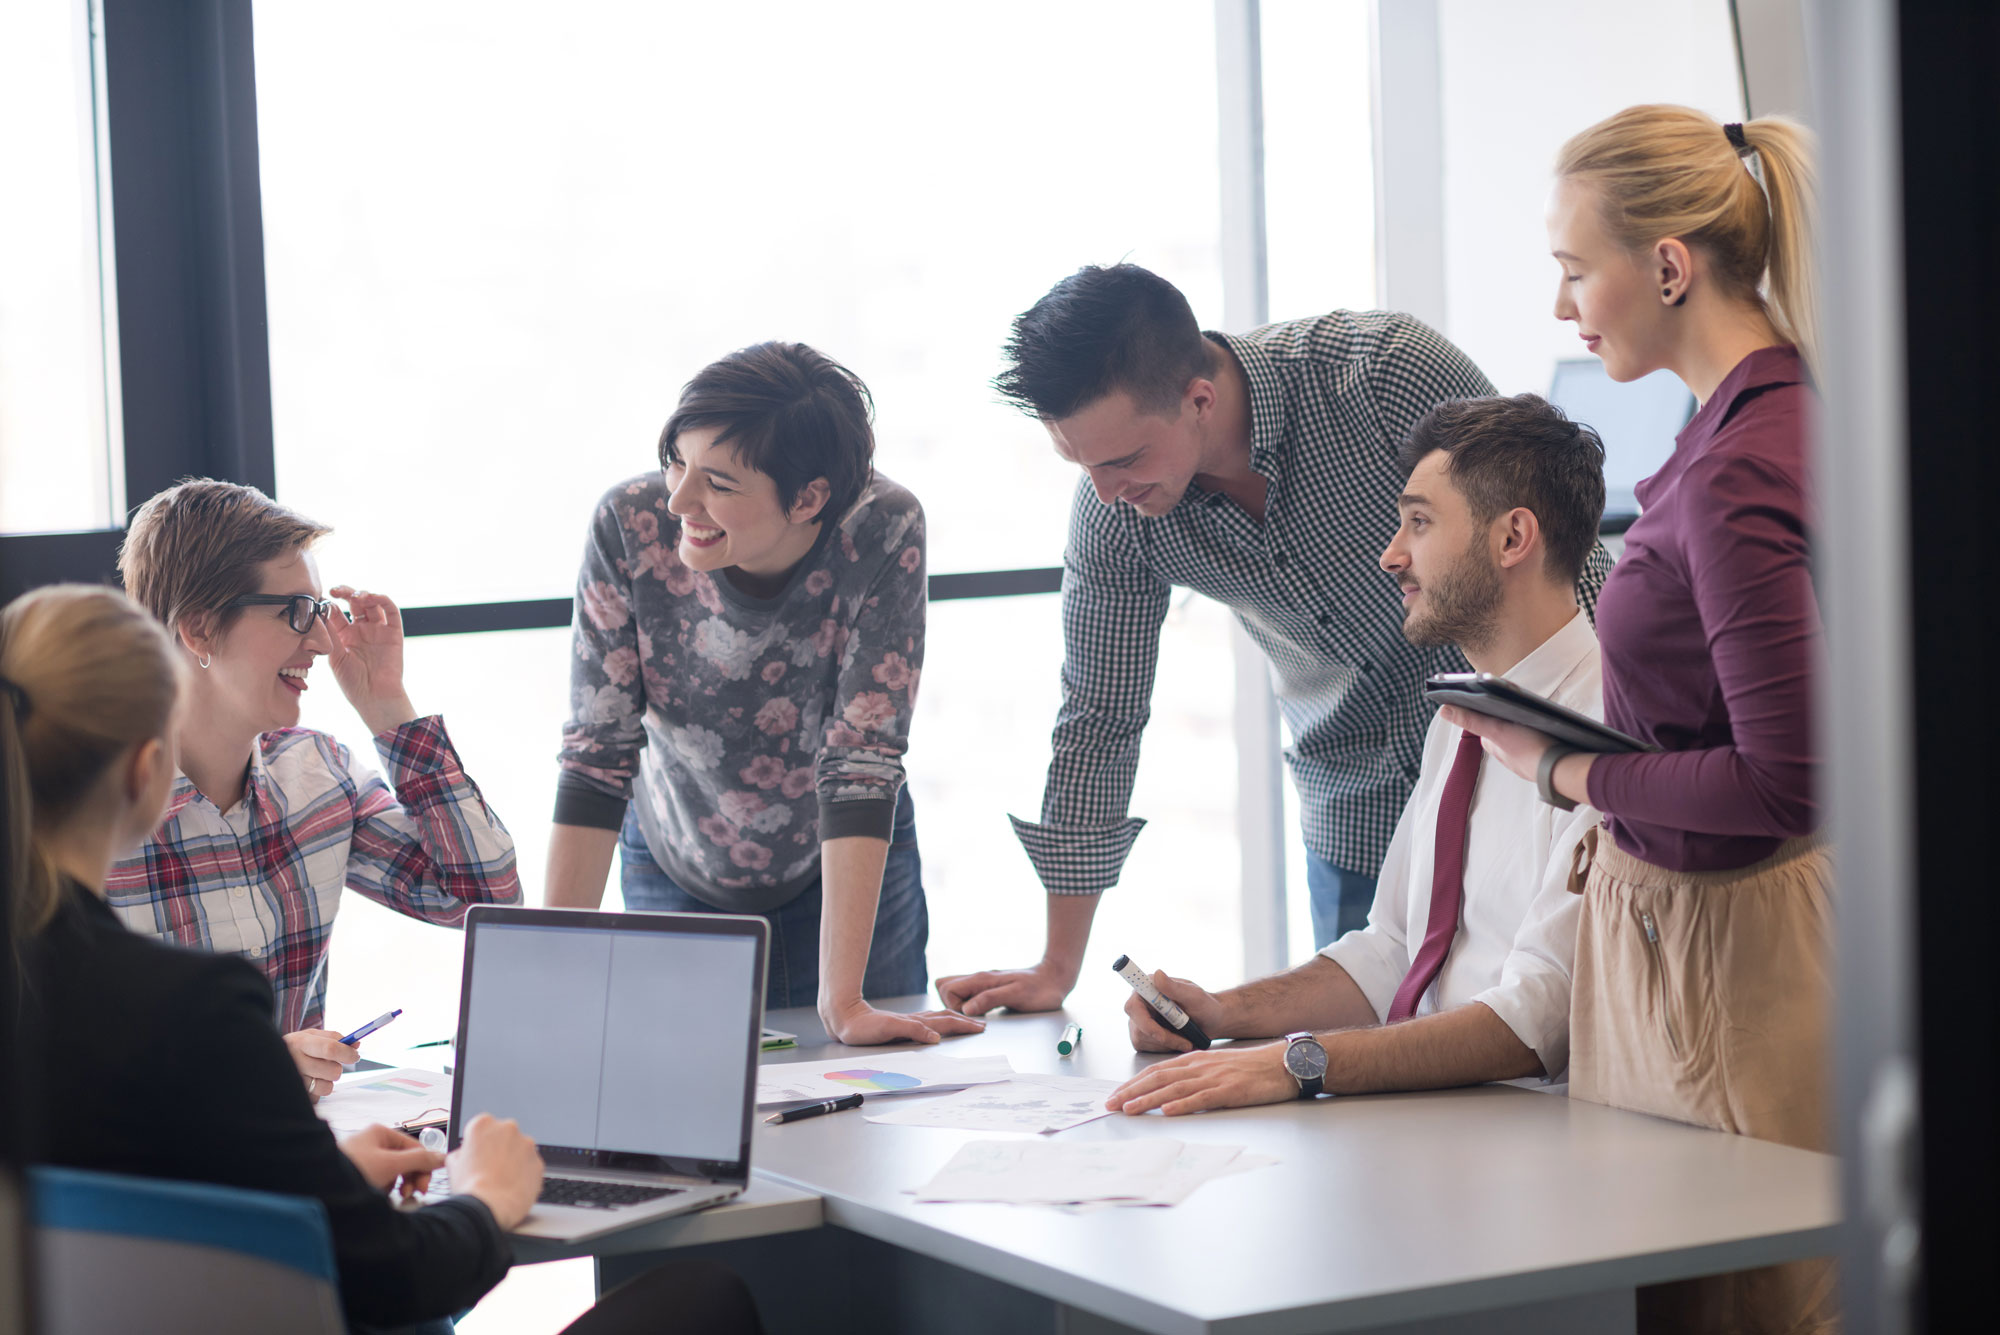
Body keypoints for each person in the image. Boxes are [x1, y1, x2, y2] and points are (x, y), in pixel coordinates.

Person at [2, 585, 763, 1334]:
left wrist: (322, 1180)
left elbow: (154, 1190)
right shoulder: (194, 1007)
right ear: (144, 769)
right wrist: (488, 1197)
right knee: (704, 1297)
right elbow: (397, 1278)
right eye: (294, 610)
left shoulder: (63, 988)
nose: (322, 636)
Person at [938, 264, 1613, 1018]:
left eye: (1123, 460)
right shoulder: (1116, 511)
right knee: (1384, 1070)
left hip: (1531, 778)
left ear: (1199, 399)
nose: (1104, 492)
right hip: (1350, 804)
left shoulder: (1383, 373)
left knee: (1559, 1030)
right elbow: (1099, 716)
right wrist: (1056, 965)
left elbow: (1560, 558)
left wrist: (1621, 761)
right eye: (1082, 465)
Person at [1447, 107, 1830, 1334]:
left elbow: (1783, 783)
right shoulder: (1759, 421)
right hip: (1703, 941)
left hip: (1726, 956)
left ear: (1667, 265)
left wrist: (1564, 774)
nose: (1564, 309)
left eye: (1573, 270)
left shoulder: (1733, 473)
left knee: (1745, 1309)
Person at [1105, 394, 1604, 1114]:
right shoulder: (1464, 717)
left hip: (1529, 1134)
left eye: (1420, 523)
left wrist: (1302, 1061)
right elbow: (1393, 948)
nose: (1391, 554)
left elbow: (1538, 1021)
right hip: (1435, 1118)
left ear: (1512, 538)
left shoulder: (1605, 733)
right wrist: (1223, 1012)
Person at [545, 342, 981, 1049]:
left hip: (844, 855)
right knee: (681, 1103)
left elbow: (863, 759)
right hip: (675, 853)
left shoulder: (884, 525)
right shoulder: (628, 521)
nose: (678, 499)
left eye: (715, 481)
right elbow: (599, 752)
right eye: (675, 461)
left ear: (808, 497)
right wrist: (547, 978)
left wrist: (843, 1000)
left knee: (863, 1106)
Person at [107, 480, 522, 1102]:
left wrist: (388, 708)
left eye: (322, 611)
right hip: (154, 1173)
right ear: (198, 630)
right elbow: (55, 1067)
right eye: (296, 612)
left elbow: (482, 899)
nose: (324, 642)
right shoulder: (79, 817)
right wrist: (257, 1065)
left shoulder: (320, 774)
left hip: (297, 1155)